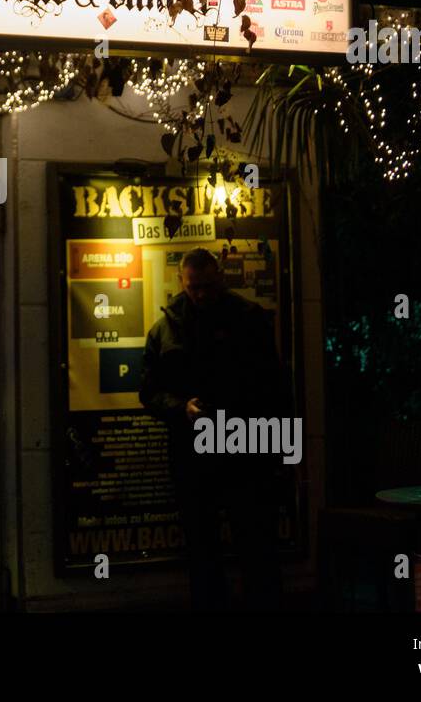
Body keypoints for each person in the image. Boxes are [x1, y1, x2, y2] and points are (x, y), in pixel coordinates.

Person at [139, 248, 290, 611]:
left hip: (242, 448)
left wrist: (280, 451)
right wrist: (182, 409)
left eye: (207, 285)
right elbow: (149, 392)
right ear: (182, 282)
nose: (202, 294)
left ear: (219, 277)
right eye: (195, 287)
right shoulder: (166, 327)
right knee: (205, 547)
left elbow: (274, 387)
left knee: (253, 544)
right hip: (205, 449)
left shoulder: (248, 318)